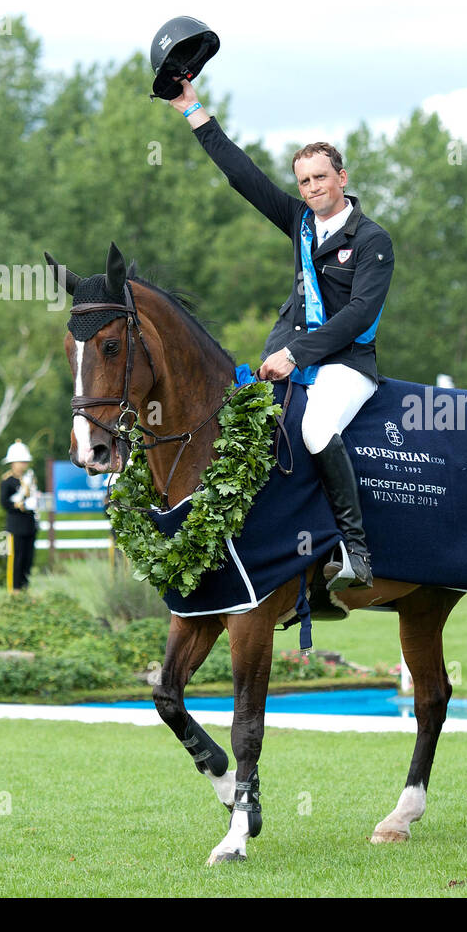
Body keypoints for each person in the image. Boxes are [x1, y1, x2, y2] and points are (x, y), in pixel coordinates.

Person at [166, 79, 393, 590]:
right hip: (287, 354)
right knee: (241, 423)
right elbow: (242, 175)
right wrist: (192, 110)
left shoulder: (374, 240)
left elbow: (359, 315)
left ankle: (355, 551)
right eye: (304, 181)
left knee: (314, 431)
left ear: (342, 177)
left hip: (346, 364)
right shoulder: (300, 222)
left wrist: (296, 353)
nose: (312, 188)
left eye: (321, 177)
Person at [0, 440, 38, 593]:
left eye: (25, 461)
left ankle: (25, 589)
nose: (23, 464)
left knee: (28, 560)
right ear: (12, 463)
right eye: (20, 461)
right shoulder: (8, 481)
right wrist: (19, 505)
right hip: (16, 526)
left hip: (30, 525)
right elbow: (4, 503)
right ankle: (14, 591)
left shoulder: (30, 478)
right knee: (17, 559)